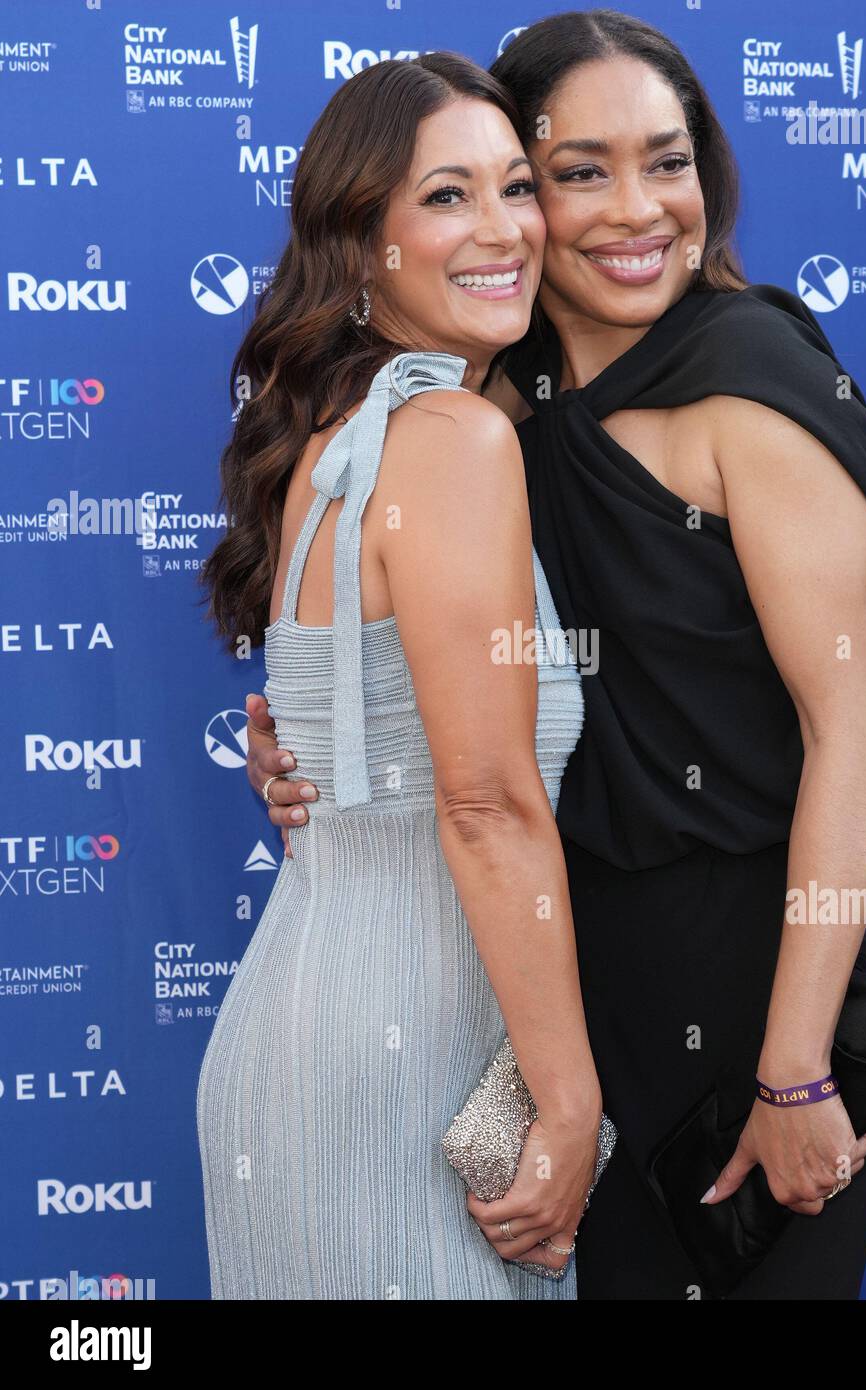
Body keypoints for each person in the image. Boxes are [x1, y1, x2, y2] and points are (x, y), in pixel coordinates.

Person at [246, 10, 866, 1299]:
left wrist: (793, 1066)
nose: (636, 209)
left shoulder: (753, 384)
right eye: (578, 171)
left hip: (752, 995)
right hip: (550, 1011)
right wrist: (330, 752)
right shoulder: (480, 405)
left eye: (668, 162)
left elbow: (854, 740)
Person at [196, 51, 603, 1300]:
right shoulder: (454, 439)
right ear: (361, 244)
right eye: (445, 196)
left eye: (516, 187)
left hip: (312, 1034)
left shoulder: (336, 441)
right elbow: (483, 804)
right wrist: (570, 1097)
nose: (504, 228)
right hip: (412, 1062)